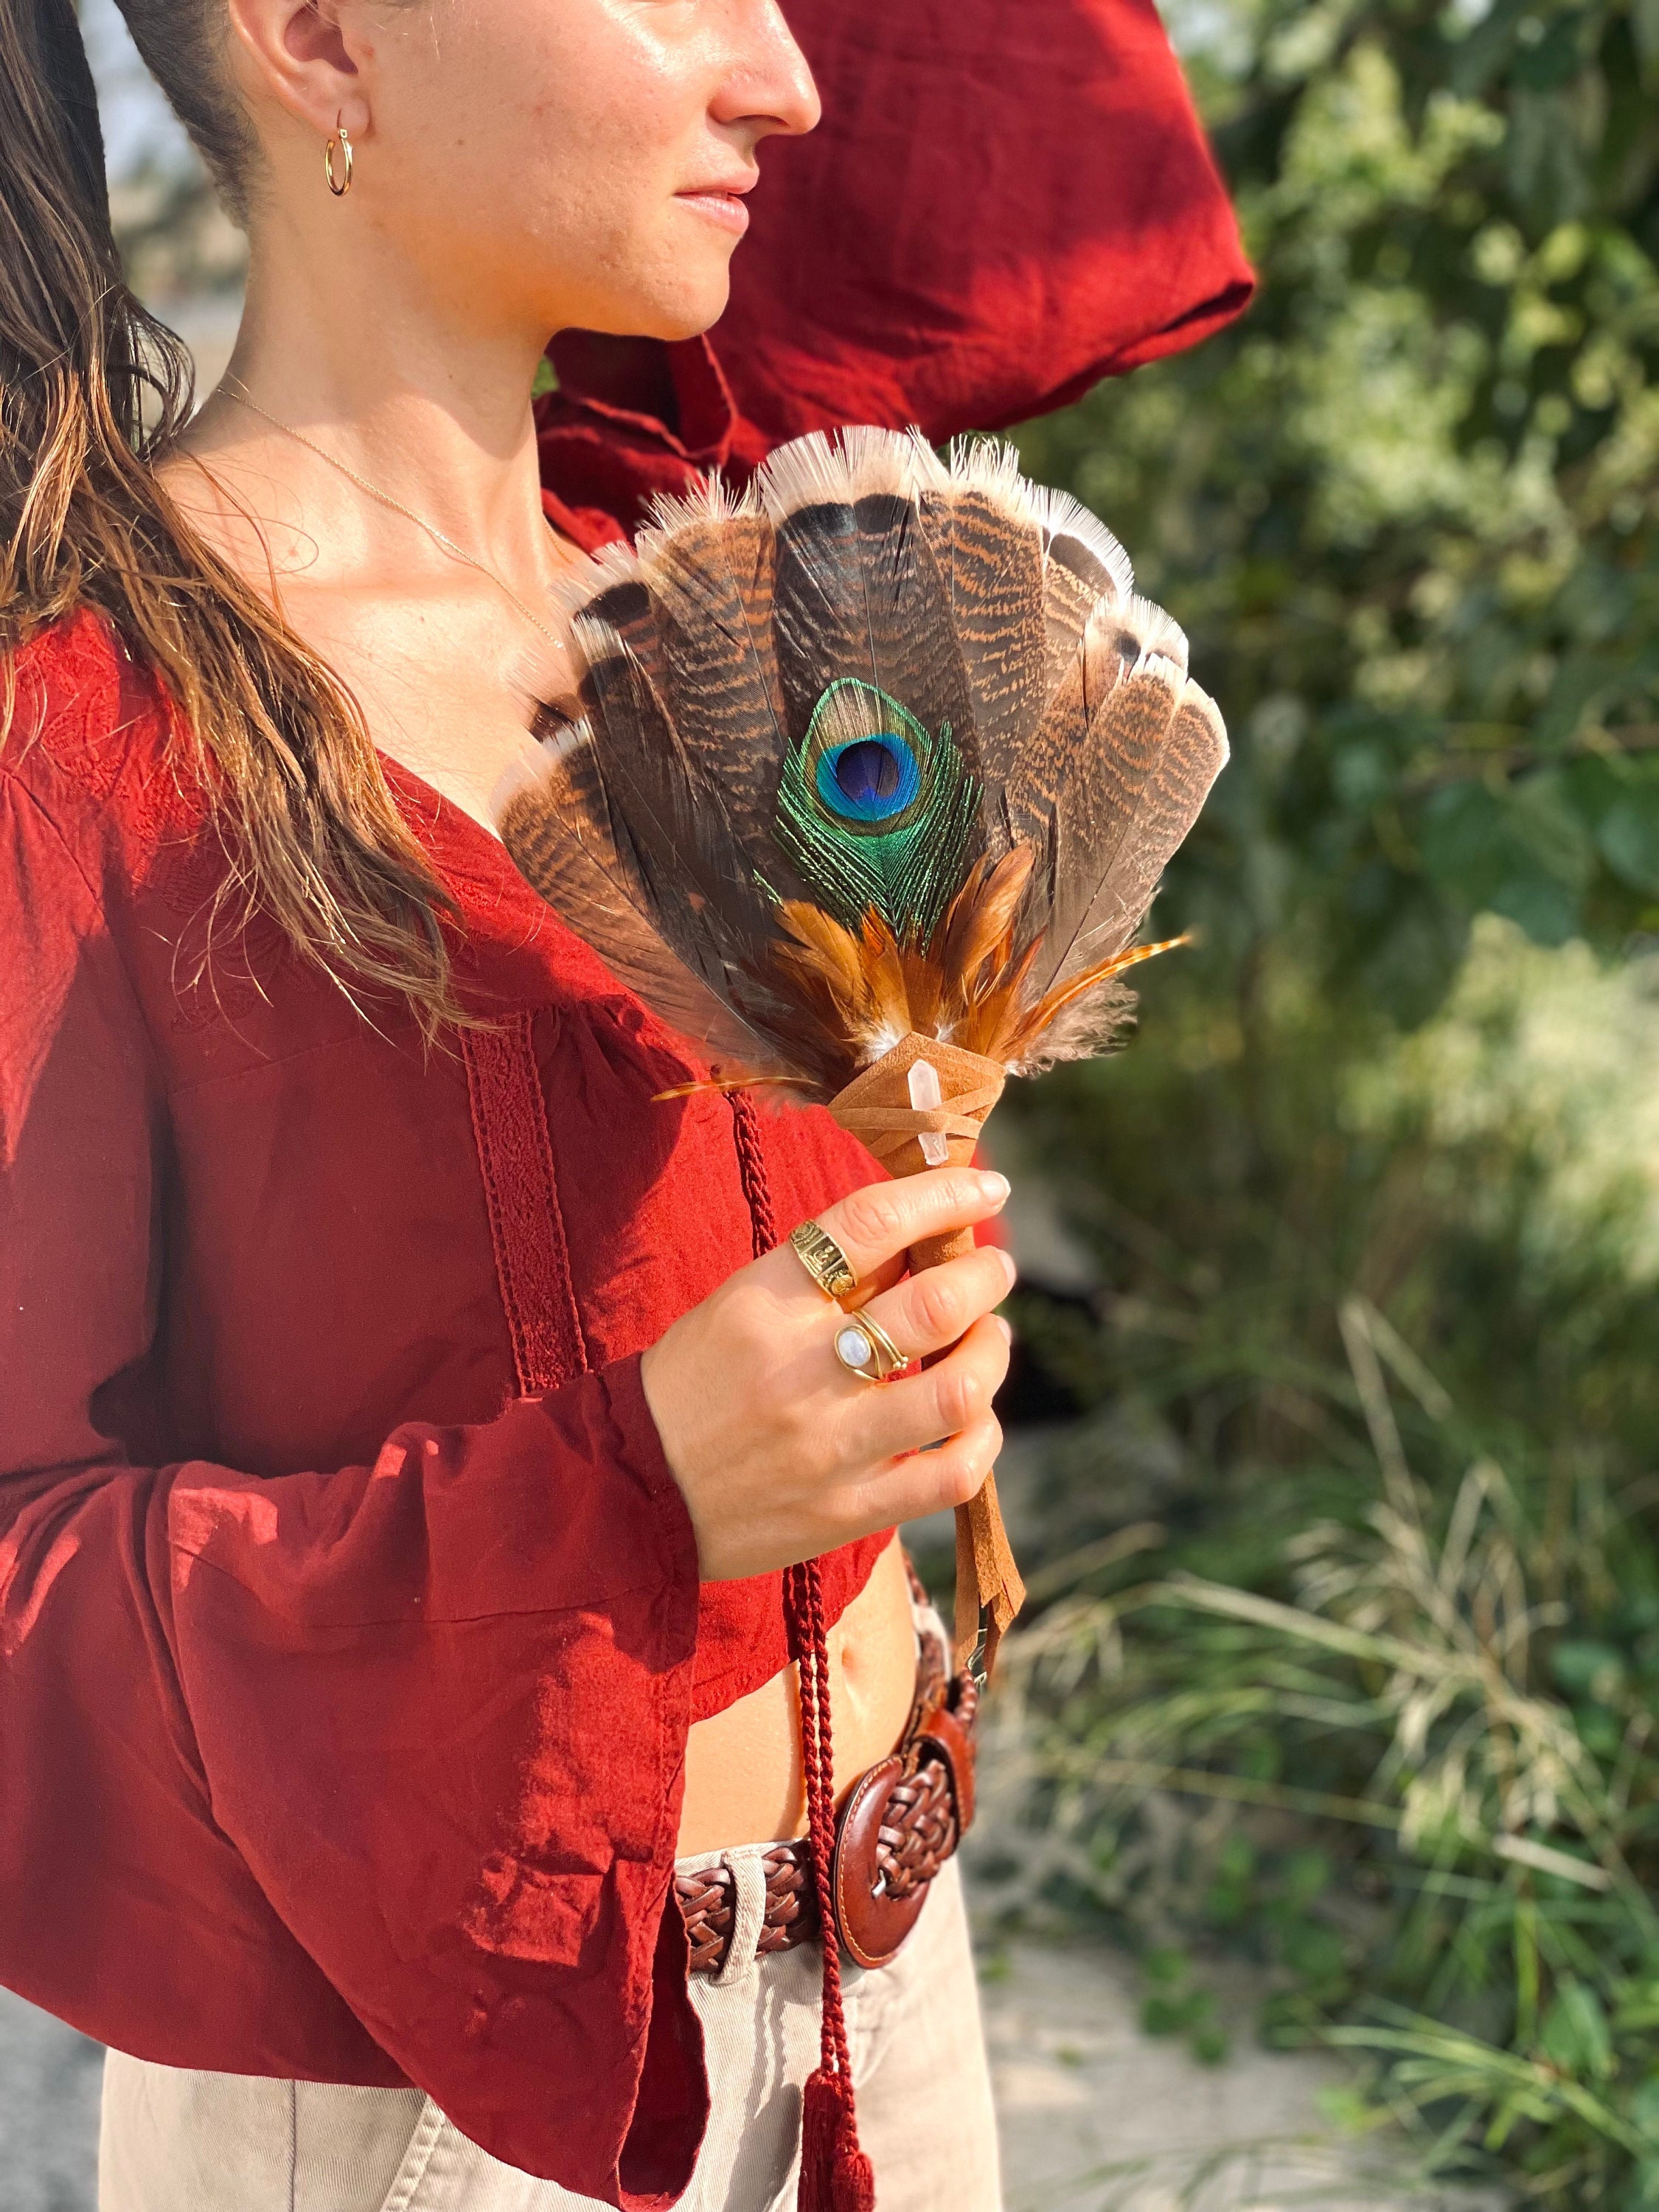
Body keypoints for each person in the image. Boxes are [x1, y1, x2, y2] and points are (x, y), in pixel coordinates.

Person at [0, 1, 1249, 2207]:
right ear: (316, 38)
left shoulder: (721, 554)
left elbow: (1038, 168)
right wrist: (628, 1491)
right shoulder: (78, 730)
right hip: (431, 2108)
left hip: (895, 1992)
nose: (784, 75)